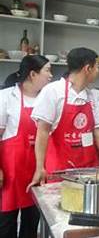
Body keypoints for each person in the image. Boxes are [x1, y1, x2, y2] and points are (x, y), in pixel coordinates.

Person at [28, 48, 99, 186]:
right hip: (61, 170)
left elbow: (98, 130)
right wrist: (40, 167)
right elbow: (43, 131)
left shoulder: (91, 95)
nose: (98, 71)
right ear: (88, 68)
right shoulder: (54, 91)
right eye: (97, 66)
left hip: (89, 169)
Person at [0, 55, 52, 238]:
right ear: (32, 74)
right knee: (6, 222)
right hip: (10, 172)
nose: (51, 75)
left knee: (31, 222)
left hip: (37, 170)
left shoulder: (47, 98)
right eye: (47, 70)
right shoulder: (6, 97)